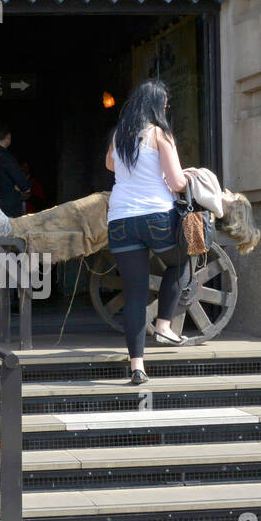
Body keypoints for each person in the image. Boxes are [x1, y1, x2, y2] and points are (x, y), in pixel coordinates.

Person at [105, 79, 190, 385]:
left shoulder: (120, 135)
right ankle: (165, 325)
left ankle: (137, 366)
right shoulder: (160, 134)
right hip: (155, 216)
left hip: (121, 220)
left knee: (135, 294)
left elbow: (111, 166)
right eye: (165, 102)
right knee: (181, 262)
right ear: (156, 104)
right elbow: (178, 182)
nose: (166, 106)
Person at [0, 123, 31, 219]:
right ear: (8, 136)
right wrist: (20, 187)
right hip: (7, 209)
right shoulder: (6, 157)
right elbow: (24, 186)